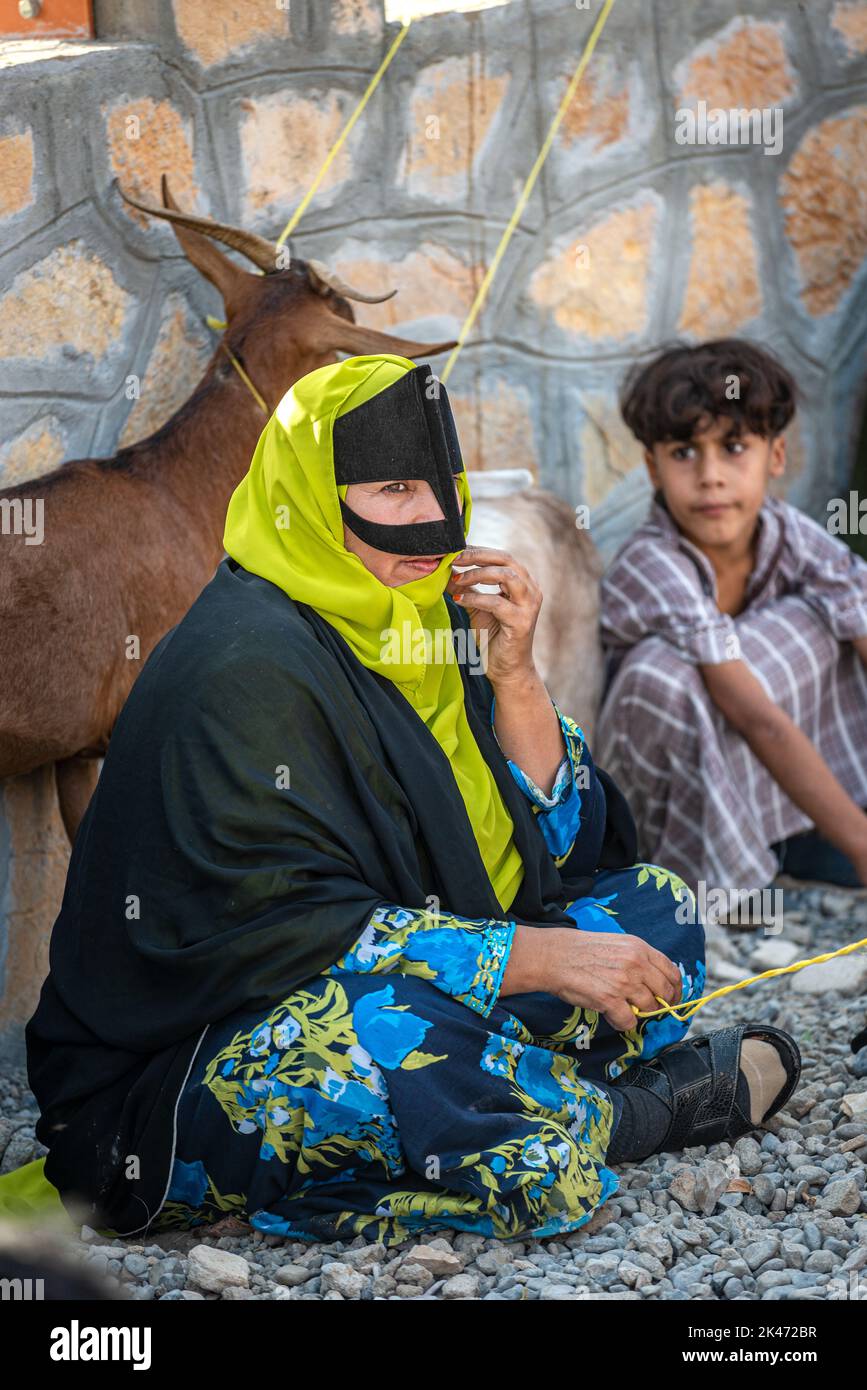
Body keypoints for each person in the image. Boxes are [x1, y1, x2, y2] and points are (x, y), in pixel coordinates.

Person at [24, 354, 800, 1248]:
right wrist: (536, 960)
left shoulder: (421, 615)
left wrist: (513, 676)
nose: (432, 518)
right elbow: (284, 928)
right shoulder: (244, 662)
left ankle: (512, 1095)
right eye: (392, 488)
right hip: (183, 1072)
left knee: (653, 909)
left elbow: (562, 849)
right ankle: (631, 1115)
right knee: (425, 1063)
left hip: (402, 971)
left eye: (443, 484)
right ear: (309, 494)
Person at [597, 338, 867, 898]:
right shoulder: (653, 562)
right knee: (666, 675)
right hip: (658, 795)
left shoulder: (787, 532)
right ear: (652, 467)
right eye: (684, 453)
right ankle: (696, 876)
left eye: (734, 447)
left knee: (823, 619)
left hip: (755, 763)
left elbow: (858, 615)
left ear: (776, 456)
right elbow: (754, 717)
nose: (711, 476)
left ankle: (797, 834)